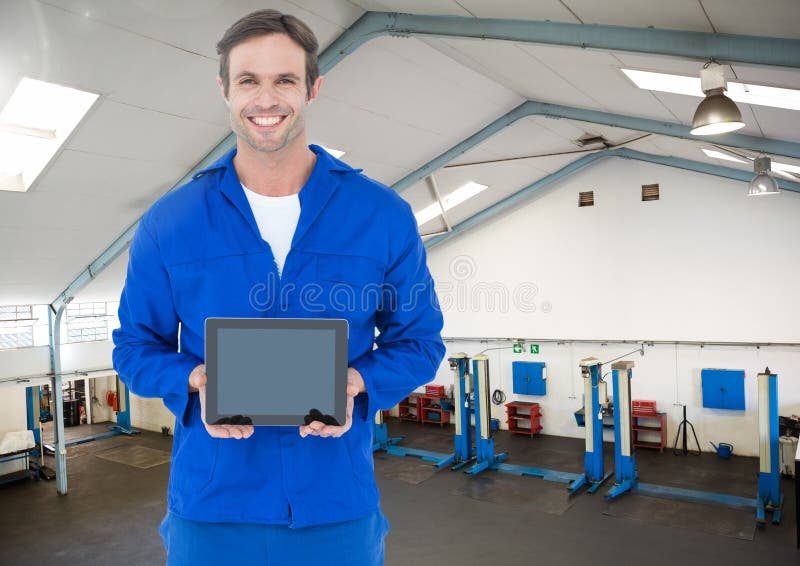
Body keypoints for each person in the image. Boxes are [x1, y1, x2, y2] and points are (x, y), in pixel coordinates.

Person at [112, 9, 445, 566]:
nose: (266, 99)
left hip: (335, 508)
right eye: (248, 80)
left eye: (284, 80)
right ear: (224, 90)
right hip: (211, 511)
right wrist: (193, 379)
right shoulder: (171, 222)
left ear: (313, 88)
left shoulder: (382, 216)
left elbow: (421, 342)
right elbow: (133, 347)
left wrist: (356, 382)